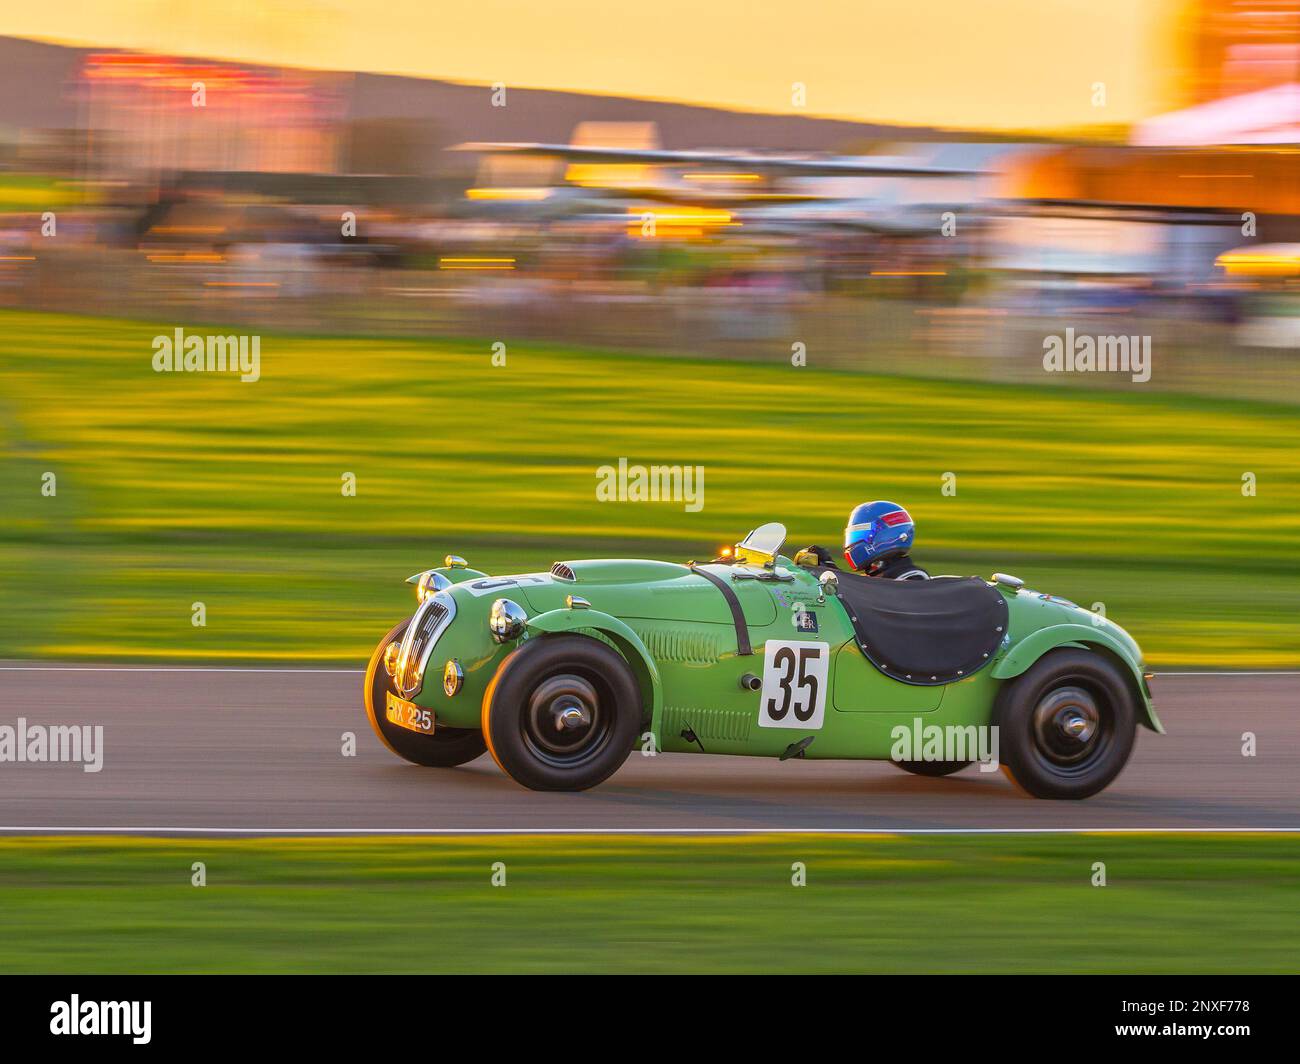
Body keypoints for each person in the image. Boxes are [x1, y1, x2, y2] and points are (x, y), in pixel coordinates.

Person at [795, 501, 930, 580]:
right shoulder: (874, 579)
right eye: (854, 535)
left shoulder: (913, 577)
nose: (853, 543)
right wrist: (827, 570)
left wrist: (836, 575)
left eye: (862, 533)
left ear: (886, 534)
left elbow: (878, 596)